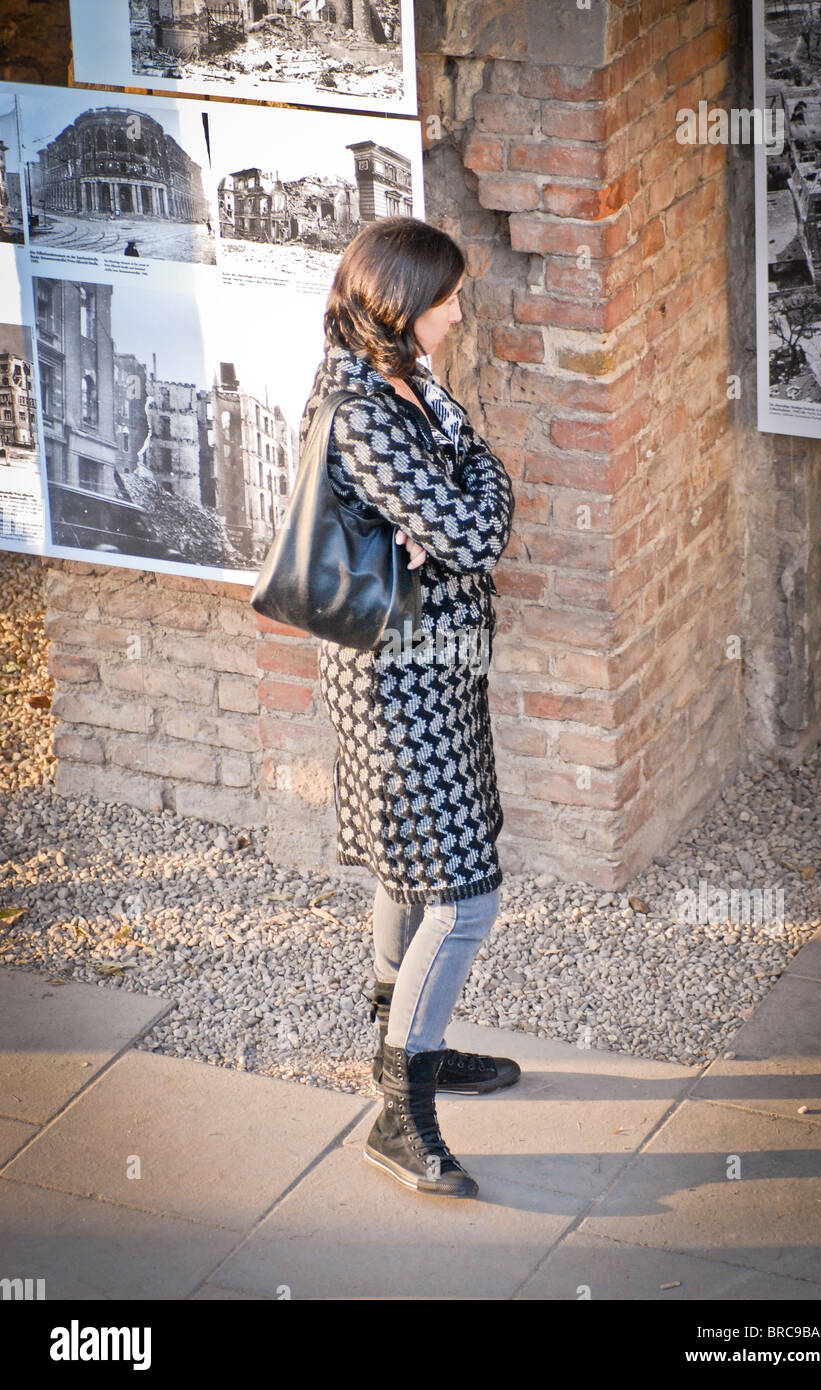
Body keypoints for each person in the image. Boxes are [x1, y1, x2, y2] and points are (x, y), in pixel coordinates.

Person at [298, 217, 518, 1200]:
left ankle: (406, 1033)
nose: (460, 313)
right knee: (465, 889)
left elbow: (474, 508)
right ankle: (402, 1105)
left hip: (437, 666)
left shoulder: (405, 384)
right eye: (448, 300)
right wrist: (467, 495)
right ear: (403, 308)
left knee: (414, 865)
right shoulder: (364, 410)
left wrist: (467, 494)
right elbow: (476, 529)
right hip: (400, 686)